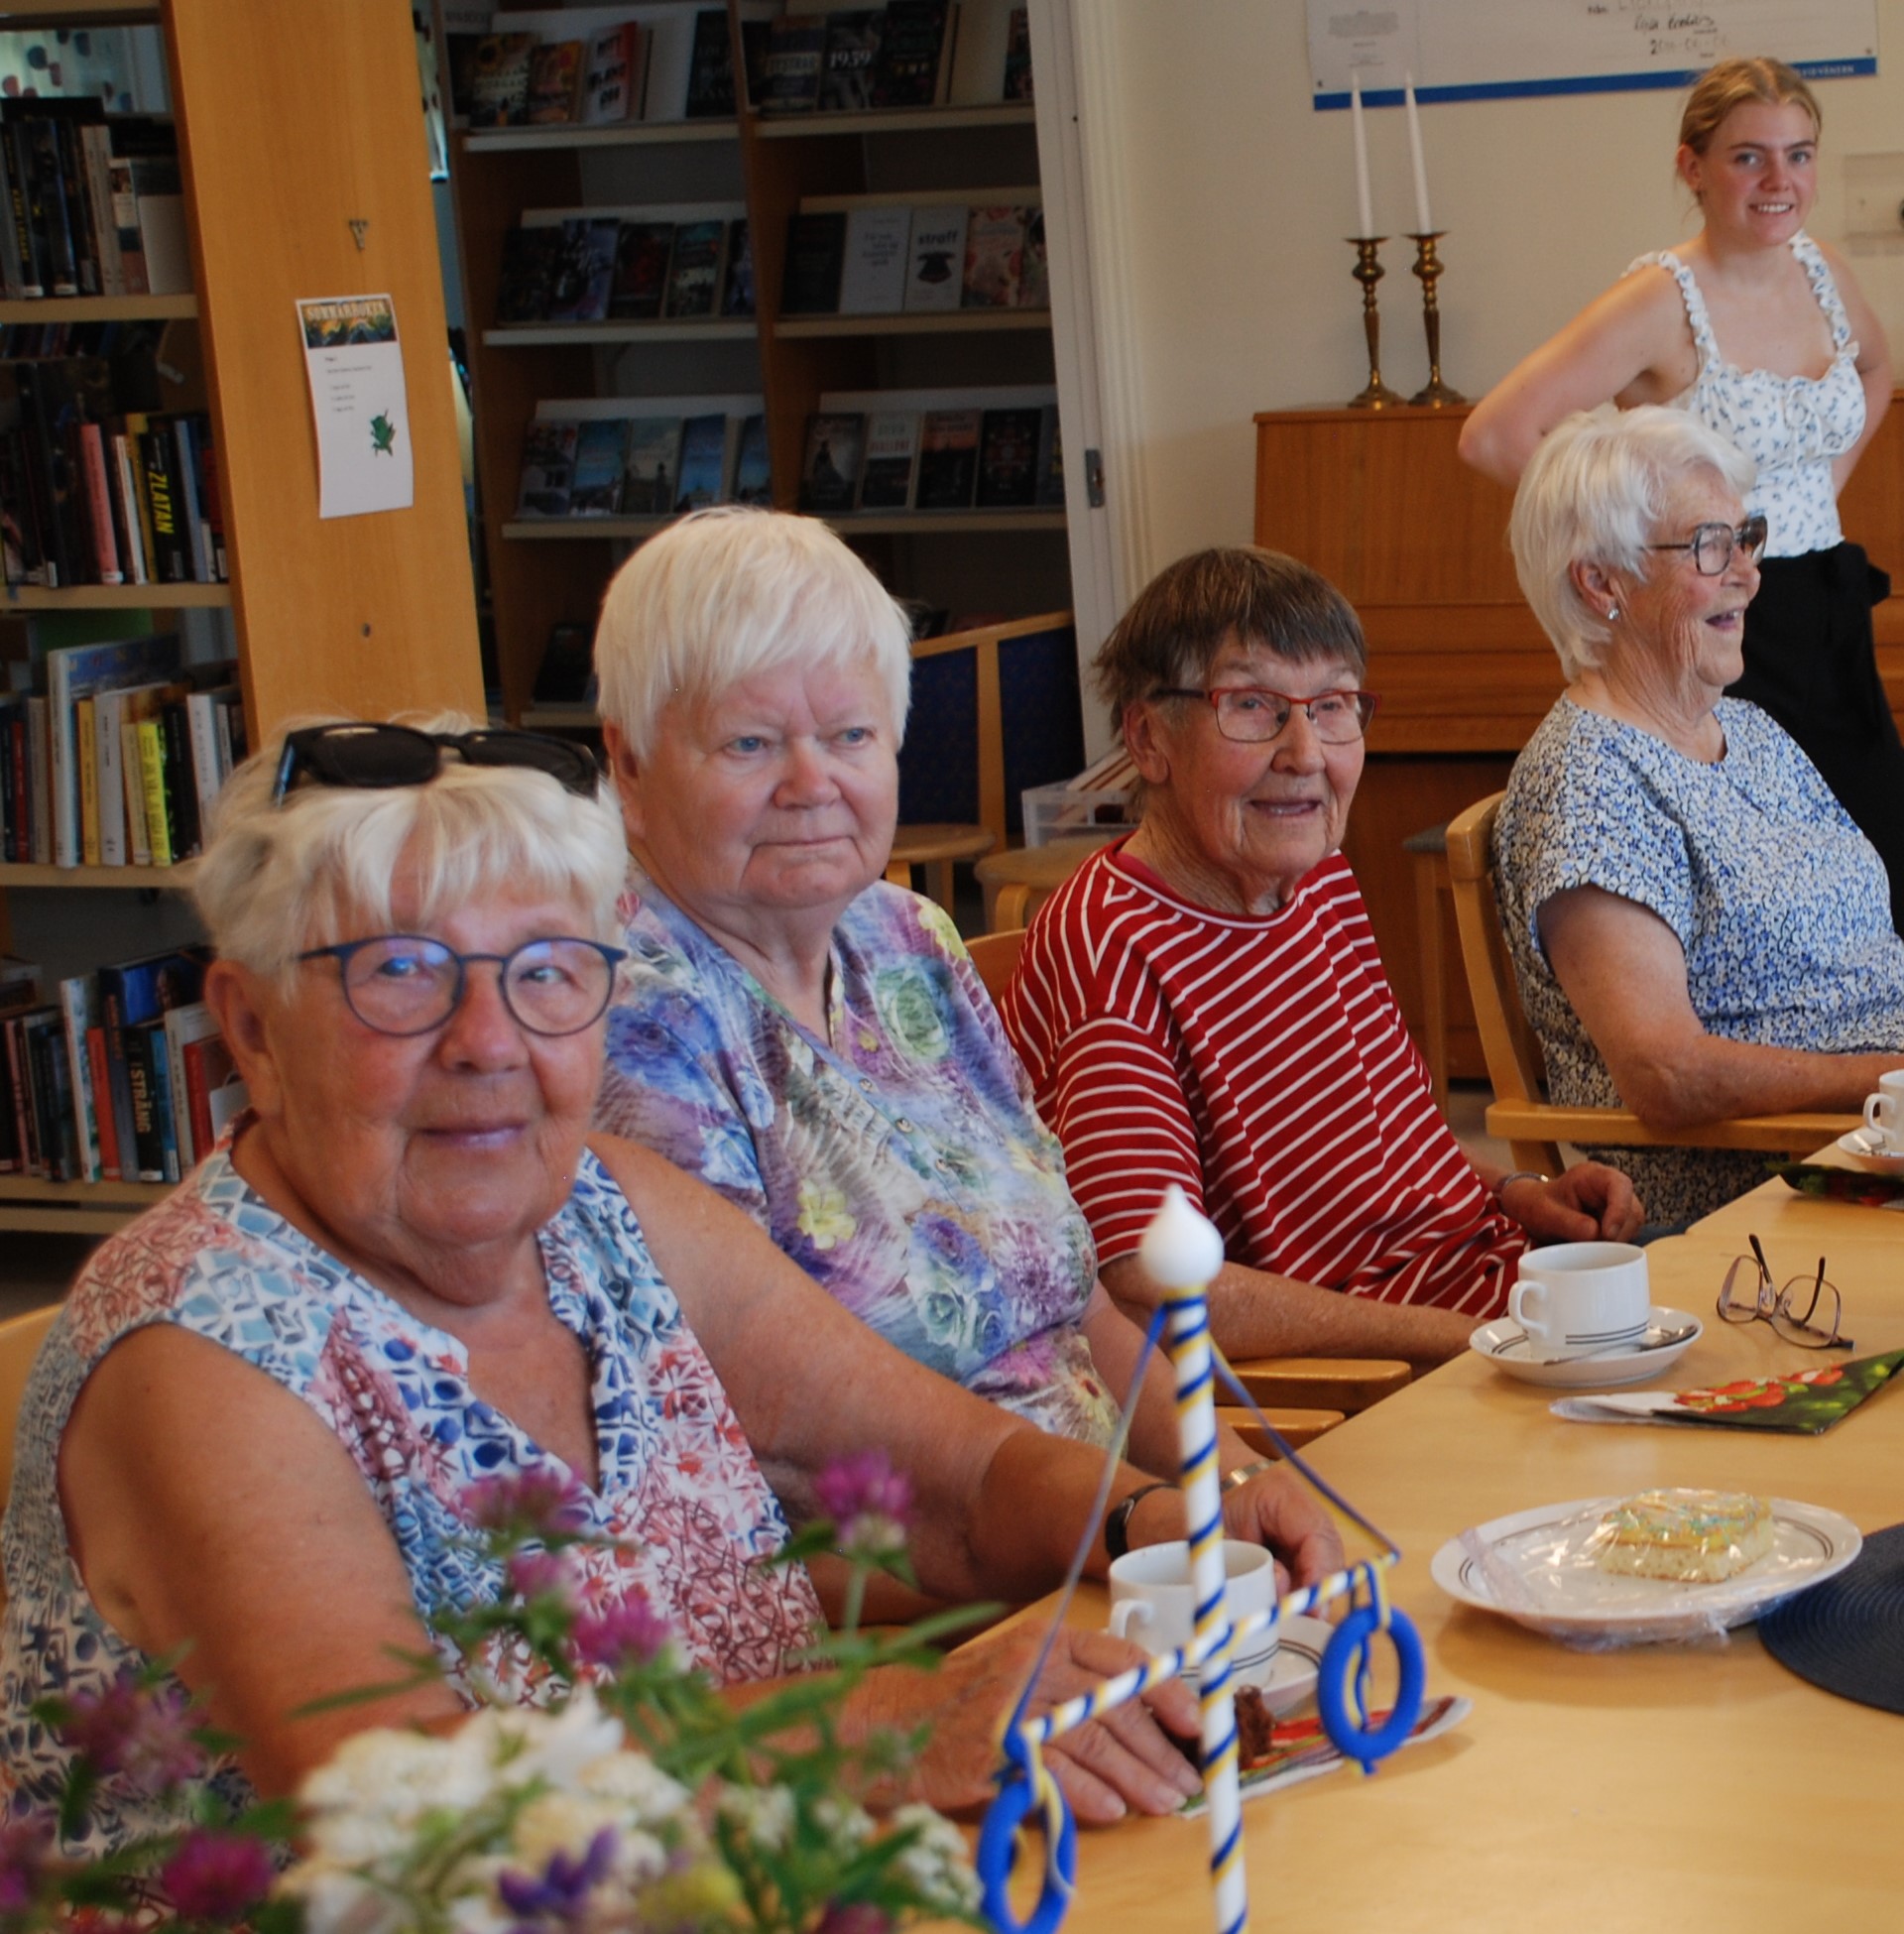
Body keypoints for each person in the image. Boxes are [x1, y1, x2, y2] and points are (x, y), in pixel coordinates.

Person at [1, 716, 1342, 1857]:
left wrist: (1163, 1527)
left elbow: (960, 1478)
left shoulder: (605, 1206)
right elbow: (401, 1801)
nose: (490, 1044)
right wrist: (883, 1724)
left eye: (546, 973)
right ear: (249, 1024)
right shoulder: (199, 1346)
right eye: (401, 975)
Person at [590, 508, 1296, 1492]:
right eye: (748, 744)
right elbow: (758, 1427)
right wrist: (1137, 1523)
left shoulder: (905, 937)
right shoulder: (630, 1018)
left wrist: (1242, 1487)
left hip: (1105, 1523)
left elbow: (1076, 1303)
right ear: (628, 763)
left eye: (849, 735)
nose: (812, 784)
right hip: (931, 1586)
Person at [1000, 546, 1642, 1370]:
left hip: (1497, 1295)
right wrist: (1477, 1343)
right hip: (1389, 1378)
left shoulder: (1316, 880)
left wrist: (1522, 1195)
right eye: (1254, 705)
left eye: (1333, 705)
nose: (1306, 753)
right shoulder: (1112, 949)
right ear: (1148, 739)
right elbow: (1147, 1289)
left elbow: (1380, 1157)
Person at [1459, 56, 1904, 925]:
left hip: (1828, 609)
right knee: (1760, 899)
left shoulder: (1823, 272)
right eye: (1749, 157)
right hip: (1717, 621)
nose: (1781, 180)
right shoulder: (1661, 298)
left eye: (1800, 154)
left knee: (1879, 865)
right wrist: (1642, 539)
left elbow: (1878, 371)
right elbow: (1496, 434)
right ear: (1692, 168)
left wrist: (1811, 492)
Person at [1494, 407, 1904, 1223]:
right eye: (1709, 547)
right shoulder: (1591, 780)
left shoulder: (1746, 728)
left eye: (1744, 539)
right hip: (1769, 1184)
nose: (1749, 574)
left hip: (1866, 1138)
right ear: (1601, 582)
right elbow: (1666, 1074)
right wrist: (1887, 1078)